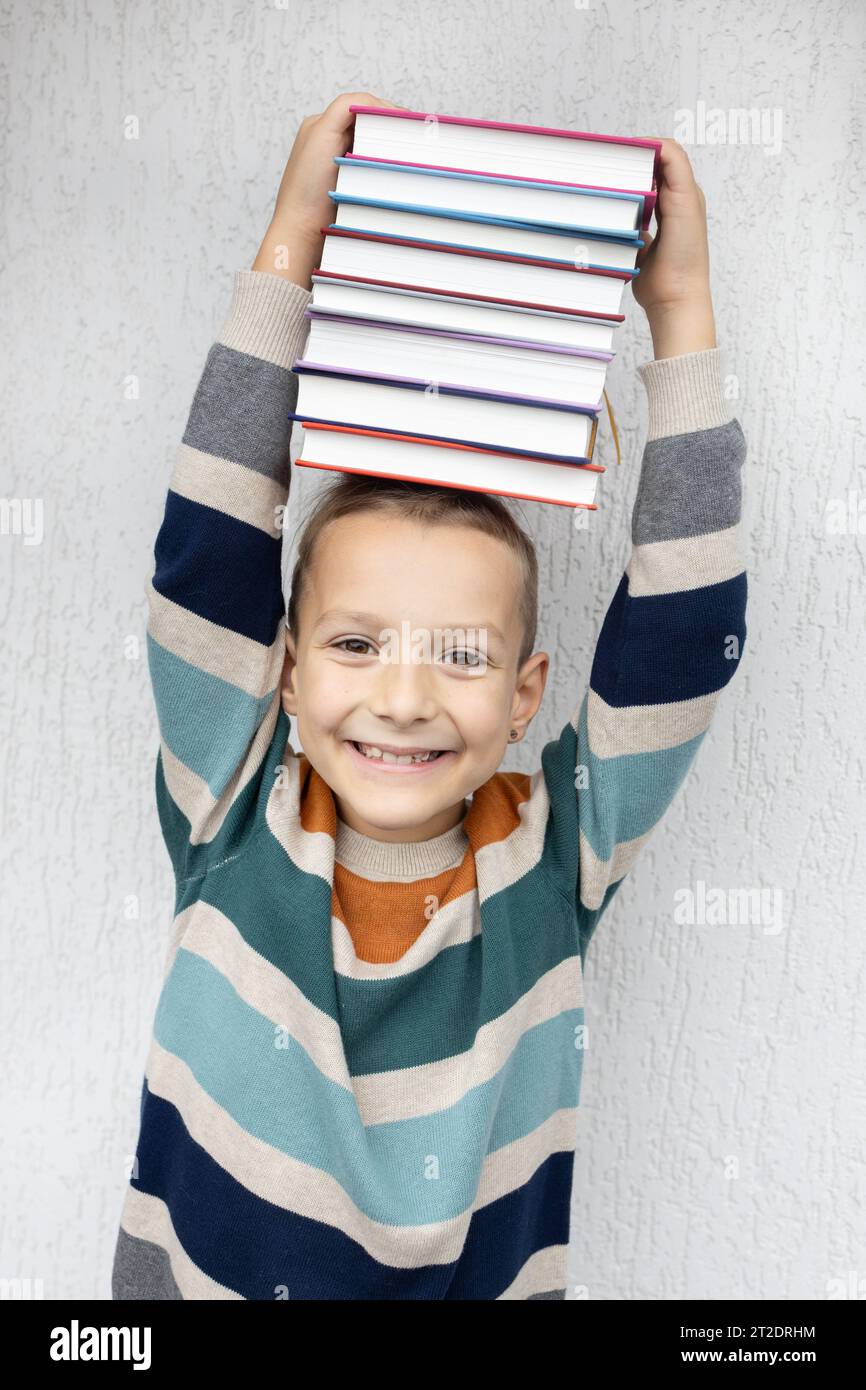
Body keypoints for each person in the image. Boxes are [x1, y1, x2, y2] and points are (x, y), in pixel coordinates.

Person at [111, 92, 747, 1300]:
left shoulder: (554, 857)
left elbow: (684, 631)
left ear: (526, 697)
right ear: (284, 670)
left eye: (459, 656)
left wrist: (679, 316)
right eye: (355, 644)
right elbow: (207, 551)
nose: (401, 697)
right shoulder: (232, 804)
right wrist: (293, 238)